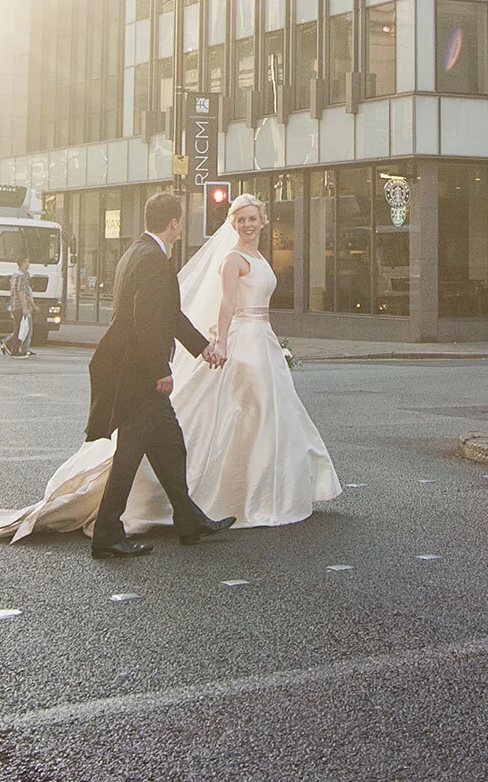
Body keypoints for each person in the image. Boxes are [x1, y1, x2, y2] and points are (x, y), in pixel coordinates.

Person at [123, 194, 340, 531]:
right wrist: (220, 342)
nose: (247, 225)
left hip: (263, 338)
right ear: (232, 224)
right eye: (241, 220)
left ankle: (271, 490)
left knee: (275, 412)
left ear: (263, 221)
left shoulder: (257, 256)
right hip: (245, 342)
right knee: (256, 411)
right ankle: (250, 495)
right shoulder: (233, 259)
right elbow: (226, 304)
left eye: (252, 218)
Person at [79, 192, 232, 557]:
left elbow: (170, 315)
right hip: (139, 374)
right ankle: (106, 534)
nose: (181, 229)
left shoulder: (137, 253)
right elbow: (145, 320)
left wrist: (202, 348)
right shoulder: (152, 260)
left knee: (170, 447)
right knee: (129, 454)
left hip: (132, 370)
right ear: (174, 223)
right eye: (181, 222)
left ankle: (189, 520)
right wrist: (160, 371)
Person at [0, 262, 36, 357]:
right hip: (20, 306)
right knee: (20, 329)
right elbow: (21, 292)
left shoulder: (15, 275)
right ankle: (14, 350)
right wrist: (25, 307)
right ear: (23, 263)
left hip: (15, 305)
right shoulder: (22, 276)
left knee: (20, 329)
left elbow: (13, 291)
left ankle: (13, 347)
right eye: (27, 262)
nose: (29, 264)